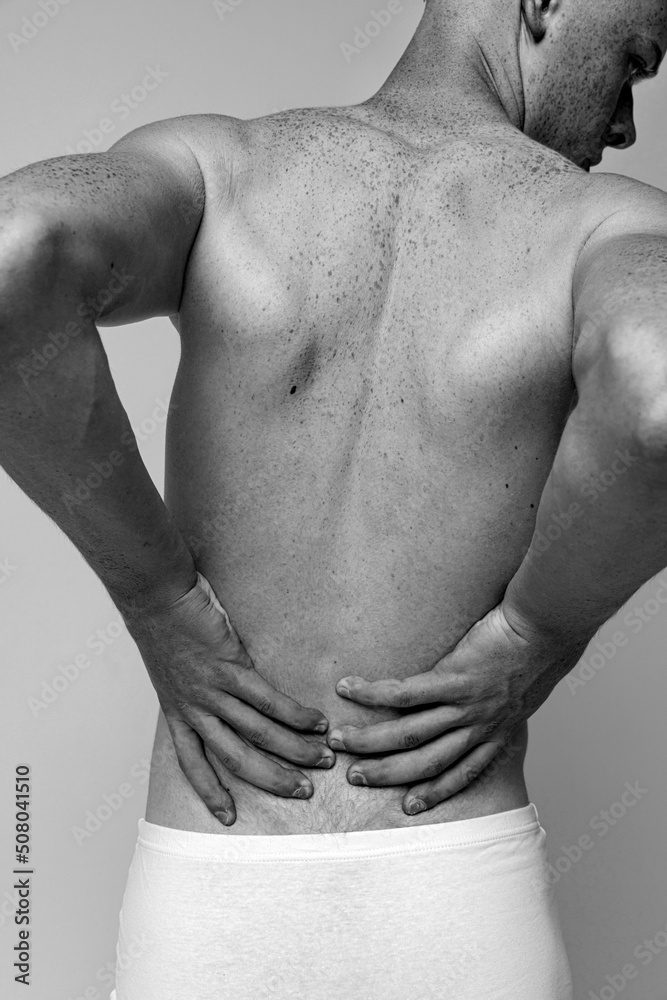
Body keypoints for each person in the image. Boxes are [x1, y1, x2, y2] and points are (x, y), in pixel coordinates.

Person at [2, 0, 667, 995]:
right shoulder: (605, 224)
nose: (624, 125)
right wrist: (534, 635)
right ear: (543, 1)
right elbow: (658, 398)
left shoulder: (217, 172)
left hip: (209, 899)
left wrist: (157, 597)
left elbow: (14, 250)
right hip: (456, 901)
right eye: (633, 63)